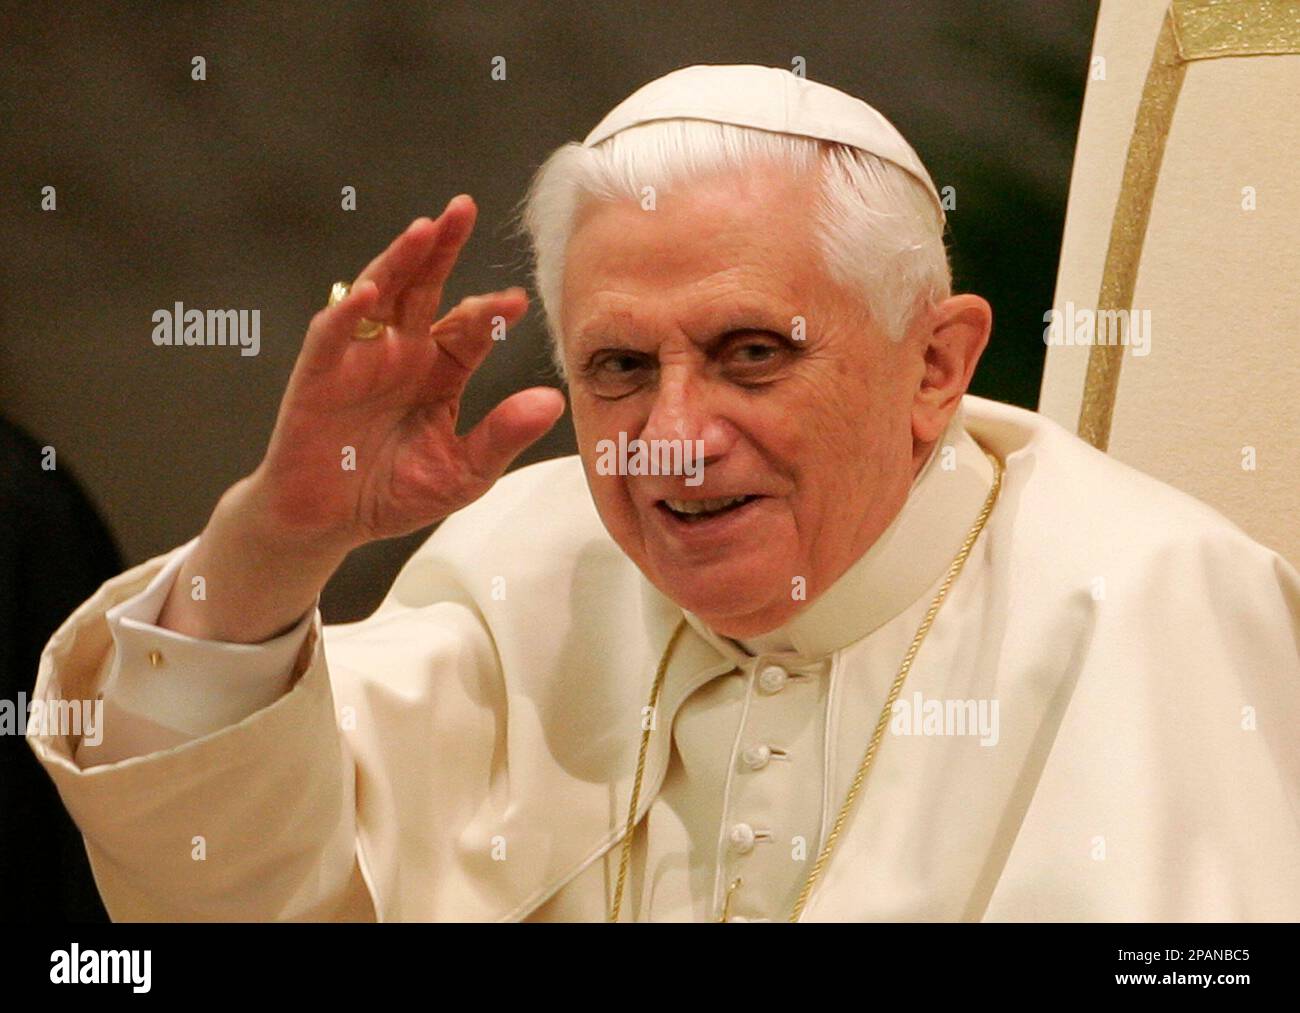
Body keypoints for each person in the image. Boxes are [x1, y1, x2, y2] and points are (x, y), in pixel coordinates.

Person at [27, 65, 1300, 922]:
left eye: (754, 352)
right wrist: (274, 541)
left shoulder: (1145, 603)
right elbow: (216, 886)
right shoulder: (529, 562)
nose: (672, 440)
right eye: (620, 369)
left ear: (935, 364)